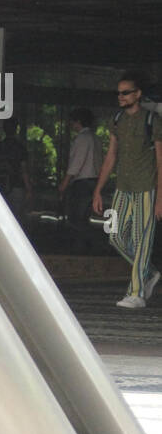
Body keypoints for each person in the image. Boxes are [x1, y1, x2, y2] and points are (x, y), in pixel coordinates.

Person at [92, 71, 162, 308]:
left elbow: (161, 160)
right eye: (119, 92)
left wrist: (160, 196)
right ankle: (149, 273)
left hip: (146, 187)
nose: (120, 96)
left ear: (138, 94)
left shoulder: (152, 120)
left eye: (125, 92)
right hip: (123, 187)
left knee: (142, 240)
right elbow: (111, 156)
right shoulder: (117, 119)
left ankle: (137, 293)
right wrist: (98, 189)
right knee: (115, 236)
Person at [58, 108, 103, 255]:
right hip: (94, 181)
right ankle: (86, 248)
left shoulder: (82, 139)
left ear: (78, 121)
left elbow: (76, 164)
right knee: (84, 217)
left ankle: (79, 250)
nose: (70, 124)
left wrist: (64, 183)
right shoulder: (95, 138)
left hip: (83, 182)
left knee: (77, 218)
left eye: (72, 121)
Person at [0, 118, 31, 219]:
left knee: (0, 216)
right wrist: (29, 188)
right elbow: (23, 170)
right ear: (16, 130)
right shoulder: (20, 148)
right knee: (16, 218)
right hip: (16, 186)